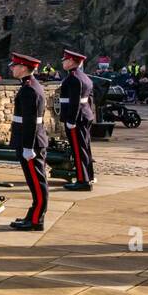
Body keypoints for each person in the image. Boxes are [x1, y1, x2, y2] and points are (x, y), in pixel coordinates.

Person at [8, 52, 49, 231]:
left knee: (37, 183)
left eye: (15, 65)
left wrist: (27, 147)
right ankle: (33, 215)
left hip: (31, 143)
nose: (12, 68)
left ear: (24, 68)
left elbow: (31, 121)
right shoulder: (29, 86)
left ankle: (36, 219)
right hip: (31, 141)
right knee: (34, 182)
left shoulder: (29, 89)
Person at [59, 48, 96, 192]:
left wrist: (71, 120)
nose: (63, 62)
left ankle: (83, 181)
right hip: (85, 115)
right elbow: (90, 99)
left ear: (72, 62)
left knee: (78, 149)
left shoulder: (73, 78)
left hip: (77, 118)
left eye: (65, 60)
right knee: (85, 148)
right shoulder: (84, 77)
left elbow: (74, 102)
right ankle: (88, 176)